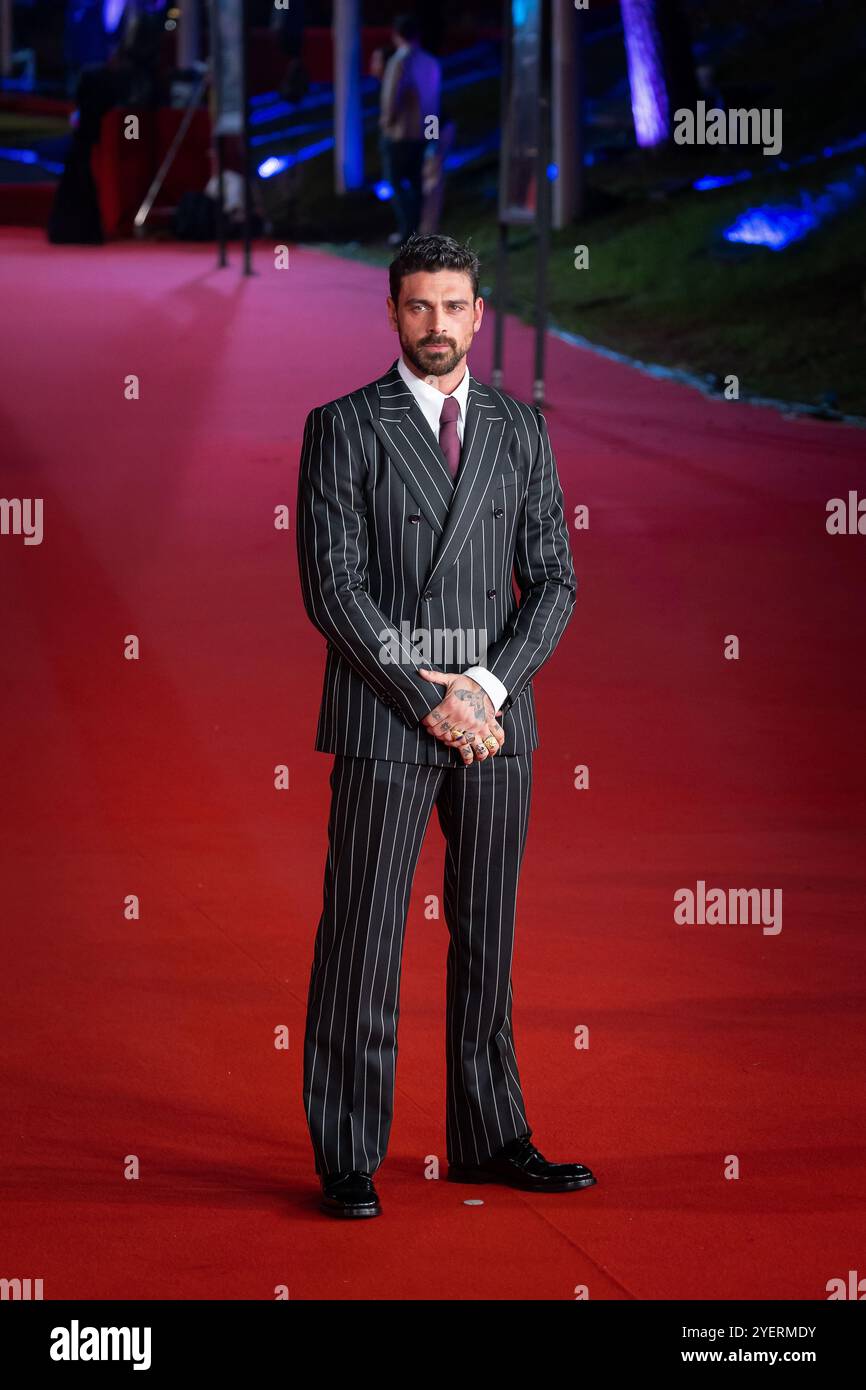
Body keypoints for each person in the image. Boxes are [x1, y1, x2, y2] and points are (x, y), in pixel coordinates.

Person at [295, 233, 598, 1218]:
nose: (436, 325)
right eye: (419, 306)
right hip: (387, 716)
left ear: (479, 313)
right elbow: (330, 588)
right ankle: (347, 1153)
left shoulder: (518, 427)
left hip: (494, 724)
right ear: (393, 312)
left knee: (487, 938)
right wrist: (427, 696)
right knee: (363, 938)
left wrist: (486, 688)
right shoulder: (340, 425)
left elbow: (553, 578)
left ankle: (489, 1133)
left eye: (454, 306)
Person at [378, 15, 441, 246]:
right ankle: (416, 231)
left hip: (400, 133)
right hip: (423, 133)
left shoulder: (399, 61)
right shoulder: (431, 62)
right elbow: (434, 102)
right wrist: (432, 135)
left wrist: (386, 122)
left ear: (396, 35)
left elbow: (391, 96)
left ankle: (407, 230)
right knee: (416, 183)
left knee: (394, 181)